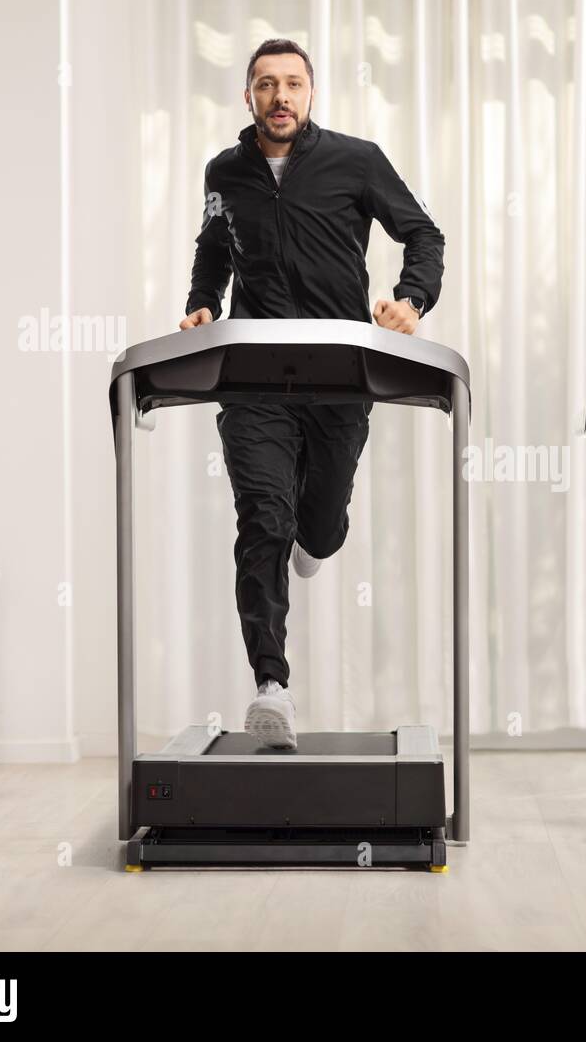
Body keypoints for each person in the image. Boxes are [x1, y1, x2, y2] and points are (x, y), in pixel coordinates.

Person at [180, 38, 444, 748]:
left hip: (338, 373)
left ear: (312, 92)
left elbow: (423, 234)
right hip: (253, 374)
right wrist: (203, 301)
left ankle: (317, 533)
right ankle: (272, 685)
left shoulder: (356, 160)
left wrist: (411, 300)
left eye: (292, 83)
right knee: (264, 516)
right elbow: (212, 244)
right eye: (265, 85)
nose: (280, 97)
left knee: (318, 525)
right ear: (248, 97)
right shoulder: (224, 171)